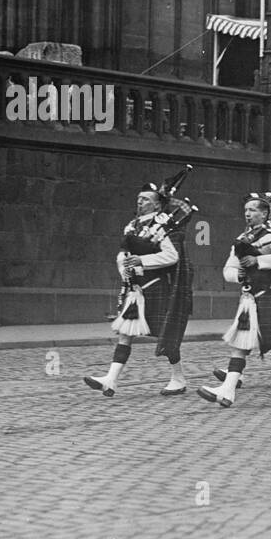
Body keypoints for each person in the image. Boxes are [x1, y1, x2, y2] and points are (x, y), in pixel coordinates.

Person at [83, 168, 195, 398]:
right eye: (139, 199)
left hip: (155, 287)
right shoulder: (132, 226)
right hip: (134, 288)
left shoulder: (163, 226)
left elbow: (171, 256)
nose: (140, 202)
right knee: (125, 333)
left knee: (166, 334)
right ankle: (110, 380)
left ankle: (178, 377)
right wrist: (124, 267)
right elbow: (122, 252)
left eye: (145, 199)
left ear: (156, 205)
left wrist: (142, 260)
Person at [199, 195, 271, 407]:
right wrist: (236, 274)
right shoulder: (242, 237)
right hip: (249, 297)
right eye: (246, 210)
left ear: (264, 213)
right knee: (240, 343)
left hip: (270, 294)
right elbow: (229, 266)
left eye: (253, 210)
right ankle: (227, 391)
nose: (247, 214)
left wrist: (258, 260)